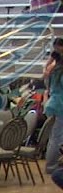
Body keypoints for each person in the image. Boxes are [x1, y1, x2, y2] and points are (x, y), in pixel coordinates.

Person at [43, 37, 63, 180]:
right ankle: (51, 166)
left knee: (54, 137)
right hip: (59, 104)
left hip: (53, 102)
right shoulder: (58, 70)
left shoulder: (52, 68)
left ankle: (52, 164)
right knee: (56, 137)